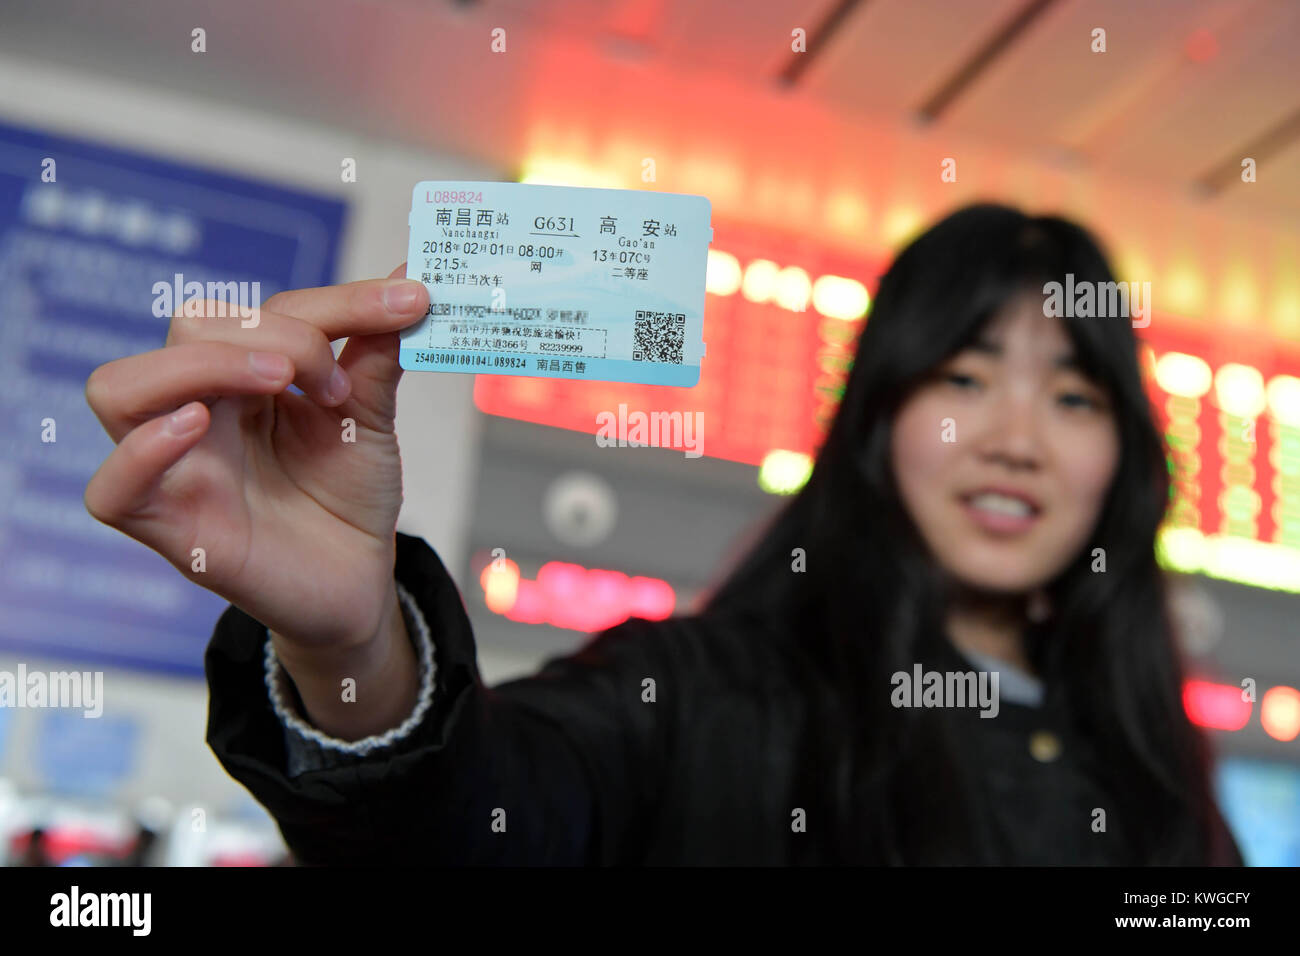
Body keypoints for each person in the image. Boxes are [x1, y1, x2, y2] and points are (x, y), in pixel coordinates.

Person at [83, 203, 1243, 866]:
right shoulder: (704, 699)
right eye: (962, 374)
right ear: (876, 420)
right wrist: (351, 649)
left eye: (1074, 395)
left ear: (1123, 456)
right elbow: (482, 823)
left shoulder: (1154, 775)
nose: (1016, 437)